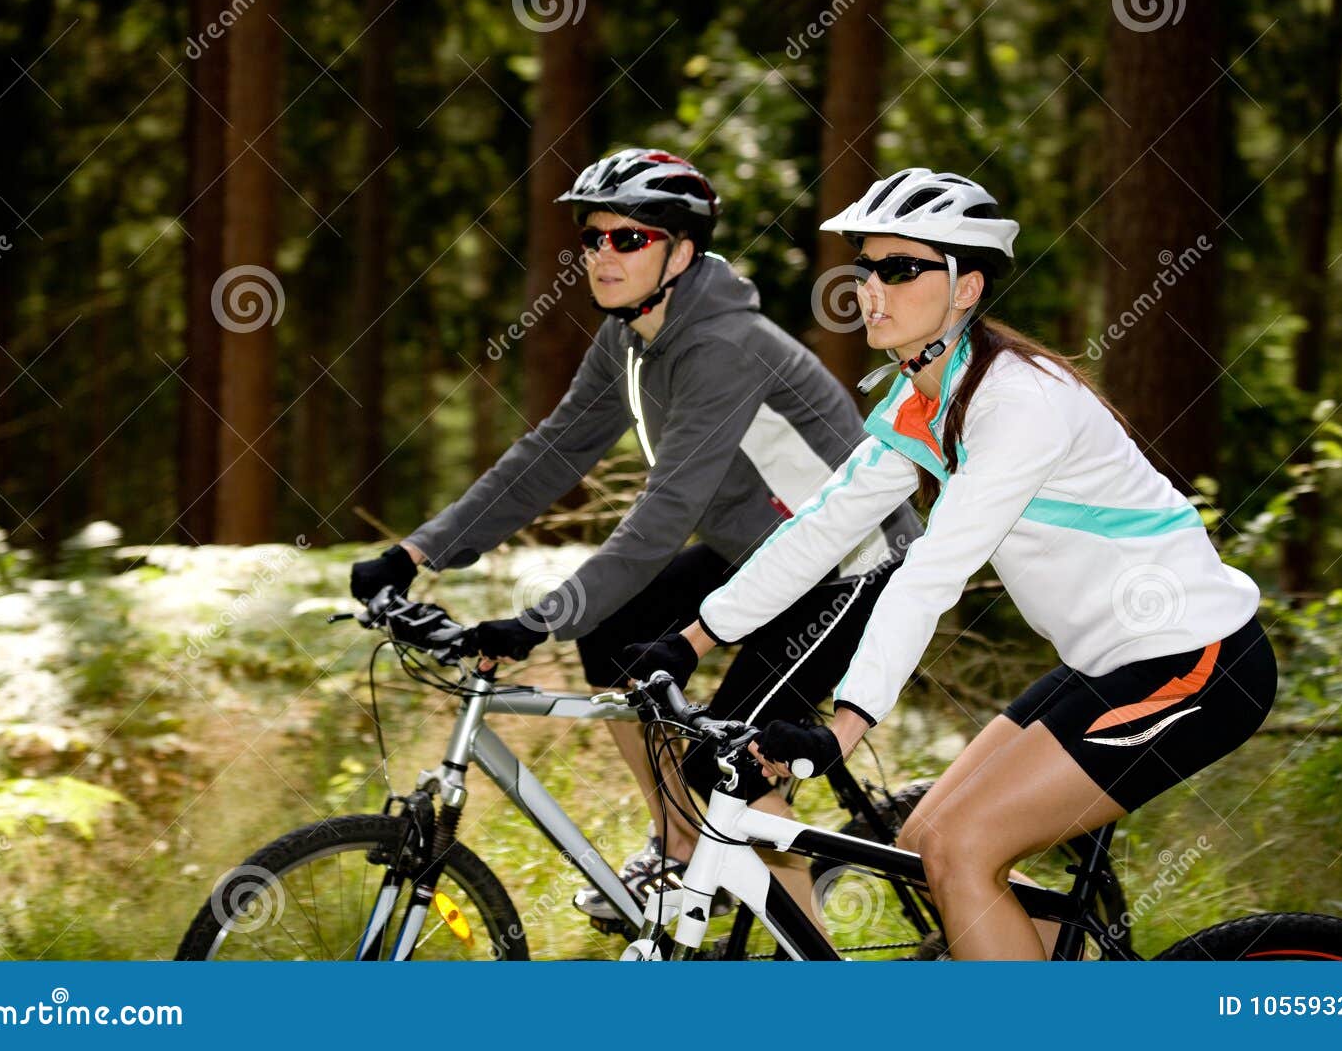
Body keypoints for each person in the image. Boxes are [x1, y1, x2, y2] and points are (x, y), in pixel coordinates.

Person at [623, 168, 1277, 959]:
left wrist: (845, 723)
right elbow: (824, 527)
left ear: (965, 286)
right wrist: (695, 637)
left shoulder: (1018, 402)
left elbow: (932, 571)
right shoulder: (922, 398)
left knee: (963, 847)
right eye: (865, 268)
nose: (871, 288)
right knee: (929, 837)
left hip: (1195, 659)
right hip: (1105, 660)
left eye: (900, 269)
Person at [349, 148, 920, 921]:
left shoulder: (722, 346)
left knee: (736, 767)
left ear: (681, 252)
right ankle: (684, 849)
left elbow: (661, 517)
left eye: (630, 238)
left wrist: (535, 620)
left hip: (855, 570)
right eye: (593, 238)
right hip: (760, 559)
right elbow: (550, 453)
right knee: (616, 633)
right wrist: (416, 551)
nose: (602, 255)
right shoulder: (632, 336)